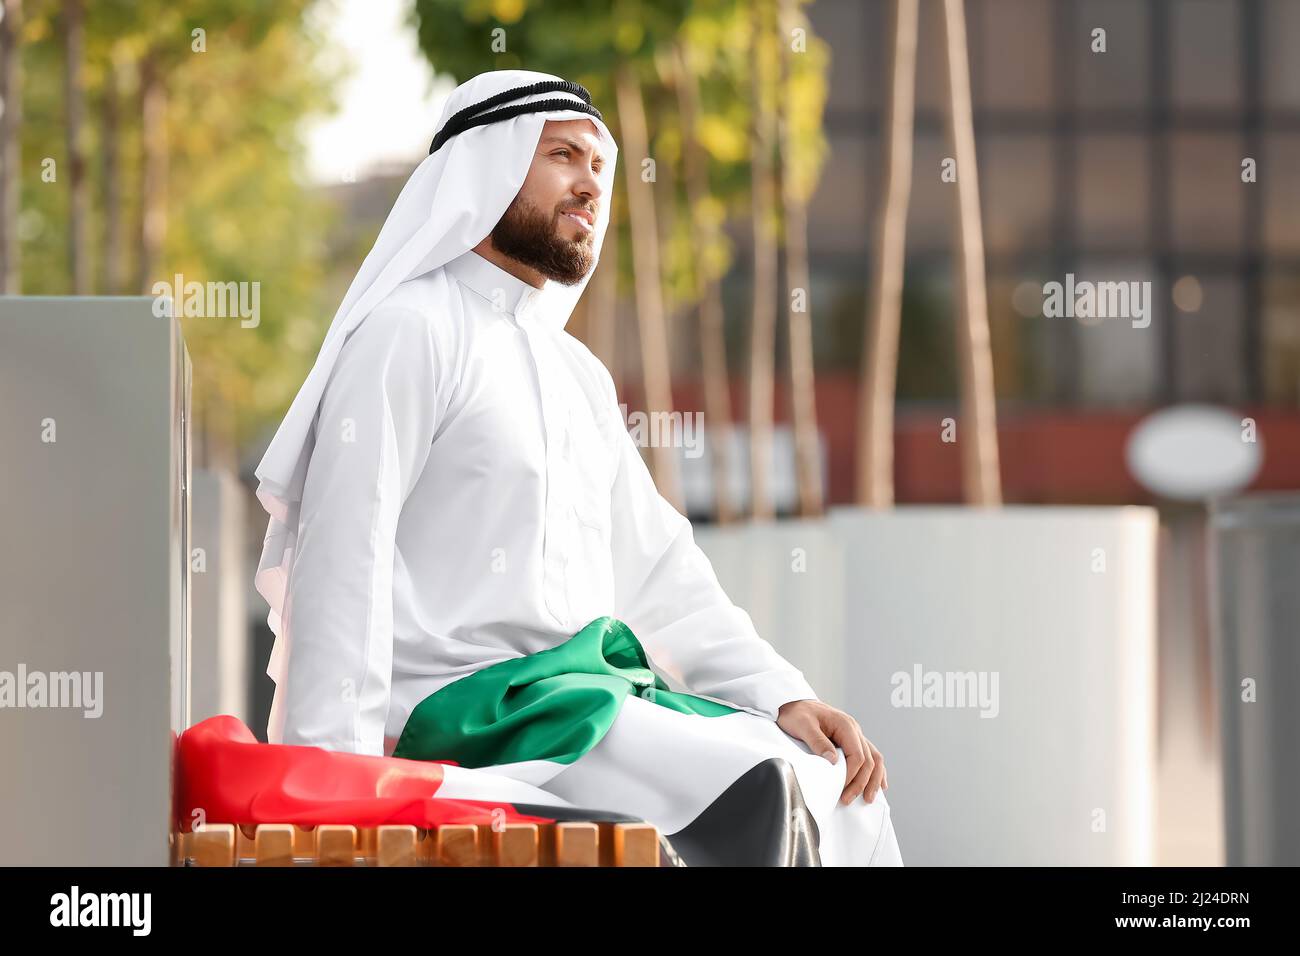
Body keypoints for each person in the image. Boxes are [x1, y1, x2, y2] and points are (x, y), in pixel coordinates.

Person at [252, 69, 902, 866]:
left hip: (582, 703)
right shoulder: (410, 331)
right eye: (563, 156)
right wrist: (337, 781)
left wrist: (784, 694)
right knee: (761, 784)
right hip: (466, 713)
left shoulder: (578, 373)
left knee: (838, 789)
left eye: (600, 168)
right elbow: (342, 559)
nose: (590, 183)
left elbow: (662, 568)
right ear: (484, 168)